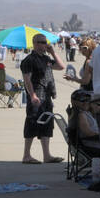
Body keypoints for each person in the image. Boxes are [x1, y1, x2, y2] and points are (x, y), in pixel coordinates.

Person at [20, 33, 64, 165]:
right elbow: (27, 79)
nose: (44, 44)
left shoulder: (46, 59)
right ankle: (26, 155)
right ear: (35, 44)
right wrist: (32, 95)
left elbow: (61, 67)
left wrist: (53, 52)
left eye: (45, 42)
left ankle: (47, 155)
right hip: (37, 96)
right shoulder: (29, 60)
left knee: (47, 124)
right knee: (32, 123)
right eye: (41, 42)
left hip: (47, 96)